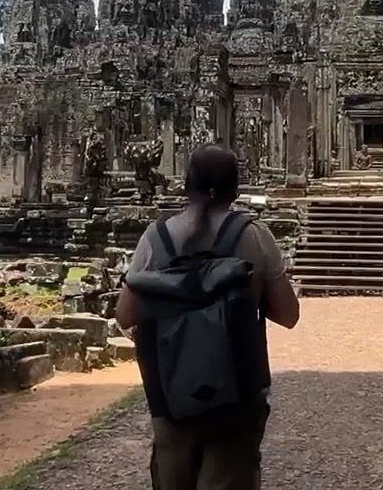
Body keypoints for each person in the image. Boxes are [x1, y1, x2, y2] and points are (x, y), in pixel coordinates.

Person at [116, 143, 300, 490]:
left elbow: (125, 315)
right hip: (238, 391)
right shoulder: (254, 236)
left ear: (187, 185)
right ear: (235, 188)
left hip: (170, 395)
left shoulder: (156, 238)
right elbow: (289, 315)